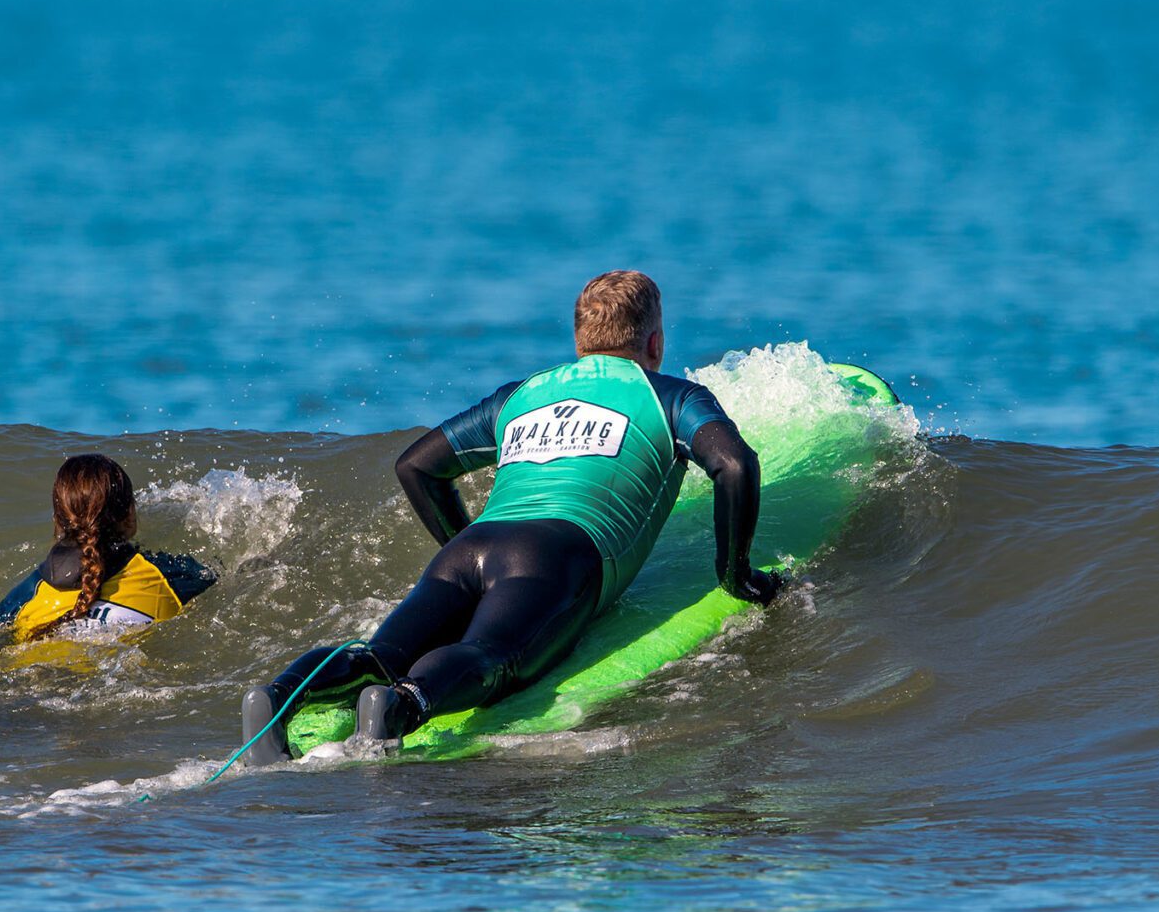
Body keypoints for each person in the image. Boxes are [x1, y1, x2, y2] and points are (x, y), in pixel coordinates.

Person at [239, 270, 778, 763]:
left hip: (468, 548)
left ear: (579, 341)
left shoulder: (520, 396)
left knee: (381, 653)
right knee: (491, 655)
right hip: (558, 554)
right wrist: (735, 574)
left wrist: (465, 550)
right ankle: (402, 706)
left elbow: (417, 467)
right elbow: (734, 465)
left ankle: (279, 695)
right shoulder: (670, 396)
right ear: (655, 343)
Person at [0, 455, 215, 641]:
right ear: (129, 515)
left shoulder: (29, 592)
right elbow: (227, 577)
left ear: (57, 521)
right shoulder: (170, 575)